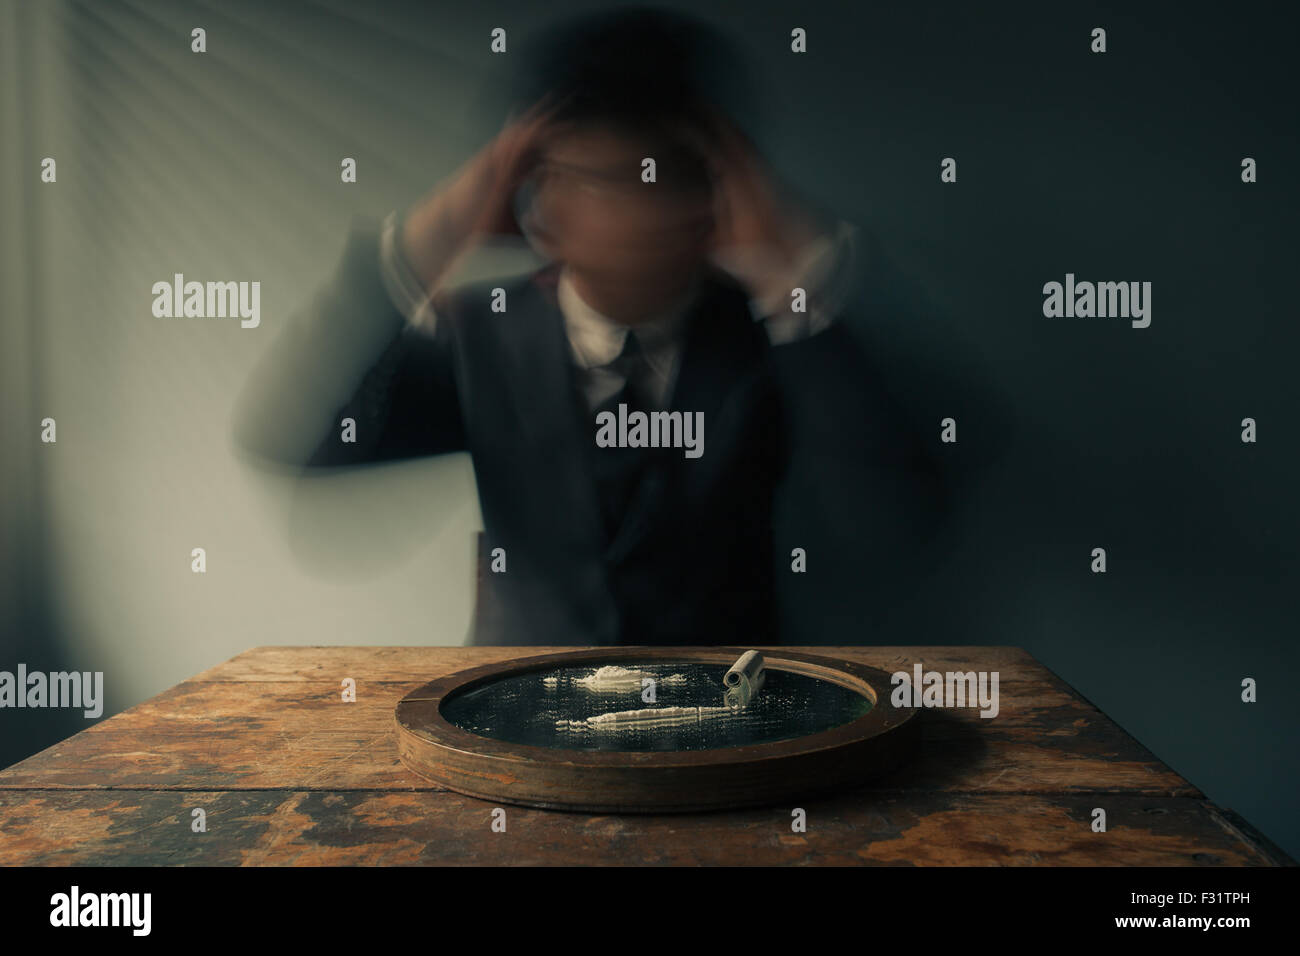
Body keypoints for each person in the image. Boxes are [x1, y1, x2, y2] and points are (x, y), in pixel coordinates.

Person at [233, 9, 878, 646]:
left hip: (724, 727)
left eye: (662, 177)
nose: (637, 213)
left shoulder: (774, 336)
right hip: (513, 718)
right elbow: (305, 444)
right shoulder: (480, 332)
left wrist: (792, 271)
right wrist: (438, 232)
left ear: (714, 196)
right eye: (603, 182)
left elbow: (891, 515)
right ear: (538, 201)